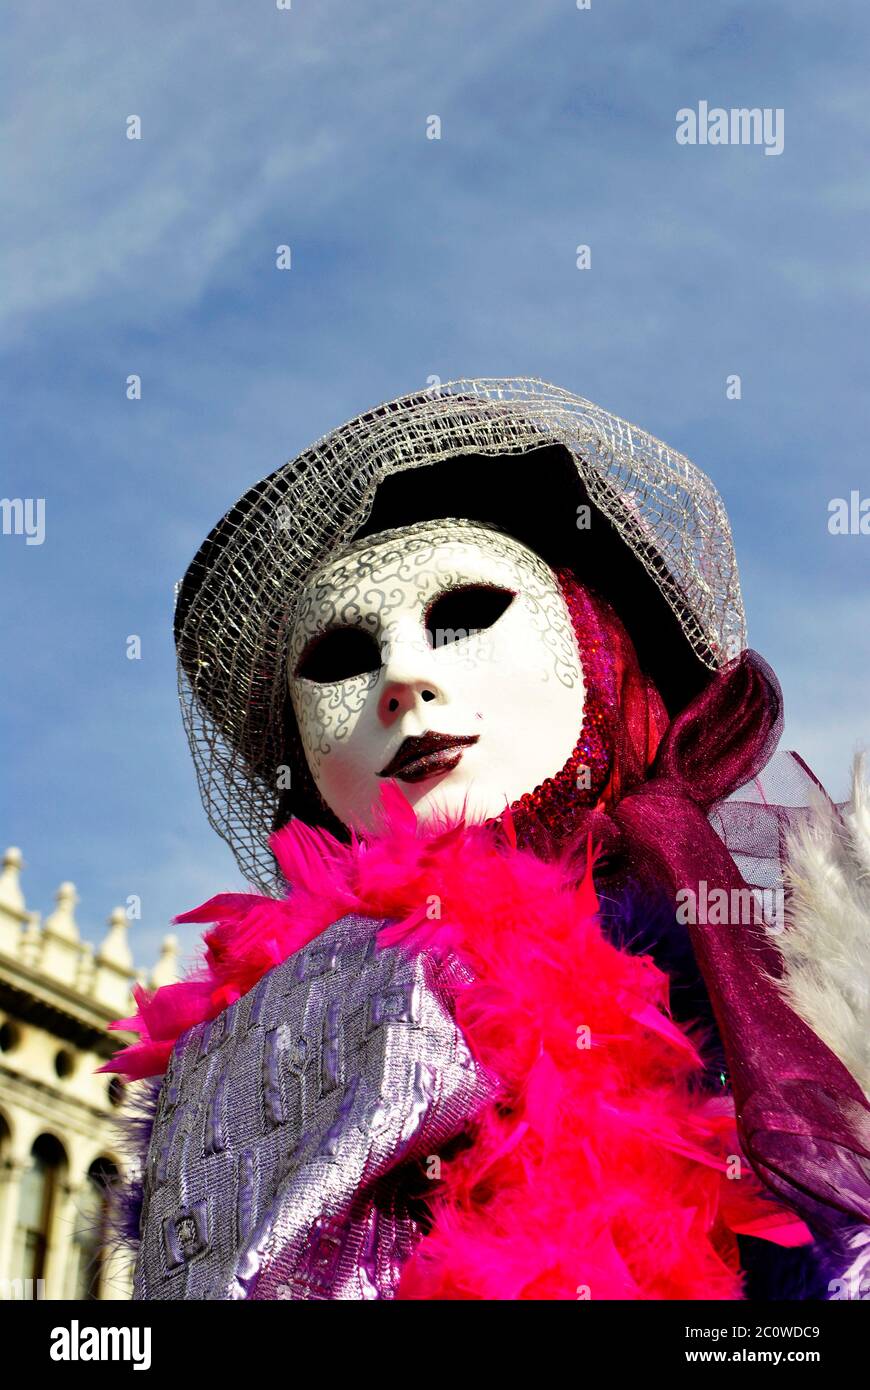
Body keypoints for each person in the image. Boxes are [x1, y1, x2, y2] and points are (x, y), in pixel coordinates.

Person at [106, 379, 870, 1300]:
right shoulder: (324, 1006)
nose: (402, 679)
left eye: (462, 615)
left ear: (599, 656)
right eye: (343, 657)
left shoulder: (759, 966)